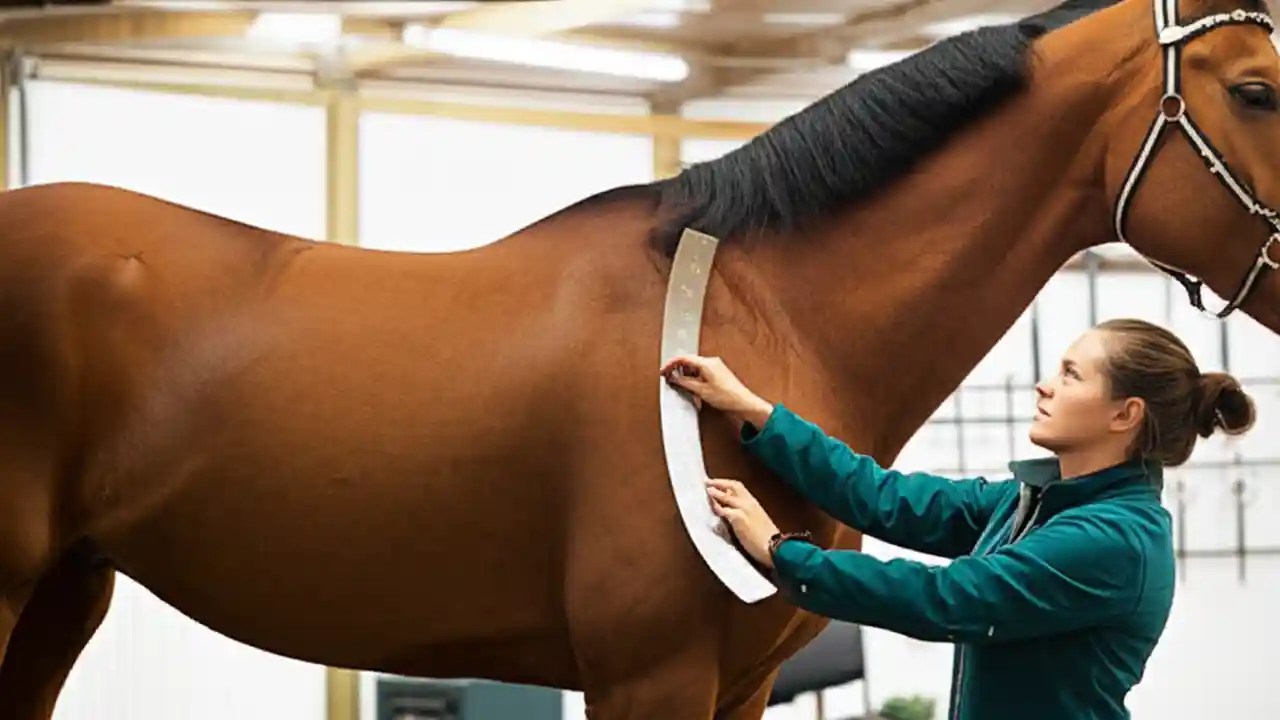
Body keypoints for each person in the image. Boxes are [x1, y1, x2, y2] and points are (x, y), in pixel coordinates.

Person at [660, 318, 1256, 720]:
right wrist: (754, 412)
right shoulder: (1035, 500)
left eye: (1072, 375)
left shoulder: (1114, 542)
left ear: (1125, 414)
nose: (1045, 386)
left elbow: (945, 599)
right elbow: (883, 497)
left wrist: (781, 552)